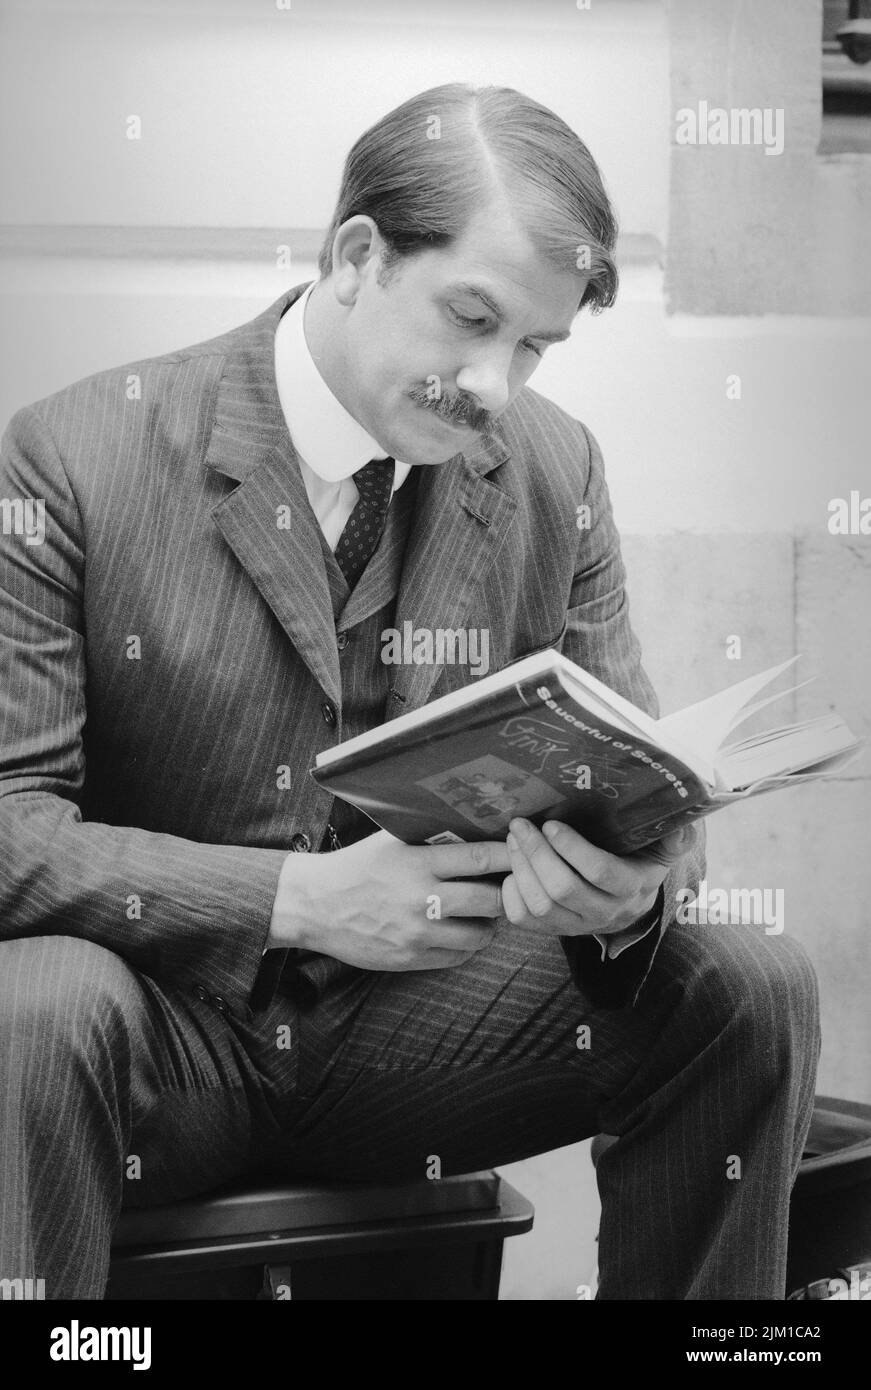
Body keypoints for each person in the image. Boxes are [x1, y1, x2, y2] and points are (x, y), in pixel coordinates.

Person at [0, 83, 819, 1300]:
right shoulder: (71, 458)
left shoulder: (556, 469)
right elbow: (14, 833)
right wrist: (298, 900)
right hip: (155, 1046)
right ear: (356, 255)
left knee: (748, 981)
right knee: (32, 1004)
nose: (493, 383)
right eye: (471, 318)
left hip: (420, 1035)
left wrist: (625, 893)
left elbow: (652, 798)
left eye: (535, 346)